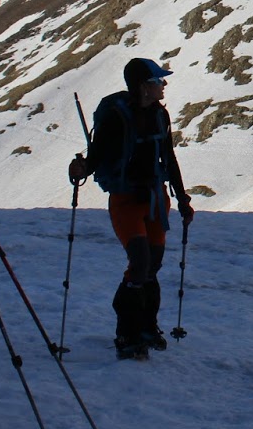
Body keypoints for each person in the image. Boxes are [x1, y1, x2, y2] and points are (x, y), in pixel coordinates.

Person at [69, 58, 196, 360]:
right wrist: (83, 167)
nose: (163, 85)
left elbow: (169, 157)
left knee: (152, 264)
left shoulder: (159, 115)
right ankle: (127, 332)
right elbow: (98, 155)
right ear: (143, 86)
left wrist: (182, 198)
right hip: (126, 200)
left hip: (155, 198)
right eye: (157, 80)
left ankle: (146, 327)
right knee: (140, 263)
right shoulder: (117, 117)